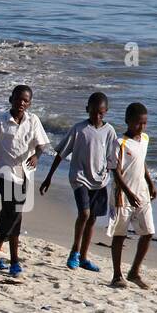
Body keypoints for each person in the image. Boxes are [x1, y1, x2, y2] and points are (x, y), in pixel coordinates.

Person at [40, 92, 118, 271]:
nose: (96, 116)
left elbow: (113, 159)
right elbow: (61, 154)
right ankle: (74, 251)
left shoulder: (109, 131)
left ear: (105, 112)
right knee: (84, 214)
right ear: (87, 110)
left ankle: (84, 257)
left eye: (100, 112)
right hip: (80, 178)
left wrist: (118, 185)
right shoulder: (79, 129)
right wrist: (48, 177)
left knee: (92, 219)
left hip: (101, 181)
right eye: (93, 112)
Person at [0, 85, 50, 277]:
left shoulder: (33, 120)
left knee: (11, 215)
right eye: (18, 99)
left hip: (26, 173)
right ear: (11, 99)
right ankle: (13, 259)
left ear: (29, 103)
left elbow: (42, 144)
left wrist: (37, 156)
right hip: (5, 173)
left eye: (26, 100)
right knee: (14, 214)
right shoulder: (1, 122)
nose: (22, 103)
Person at [108, 102, 157, 289]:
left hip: (142, 193)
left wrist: (151, 183)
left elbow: (141, 162)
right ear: (128, 121)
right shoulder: (120, 143)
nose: (141, 127)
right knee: (120, 234)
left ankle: (134, 271)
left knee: (148, 232)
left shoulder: (144, 138)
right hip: (122, 194)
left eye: (144, 123)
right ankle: (117, 275)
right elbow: (116, 171)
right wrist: (128, 193)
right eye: (138, 123)